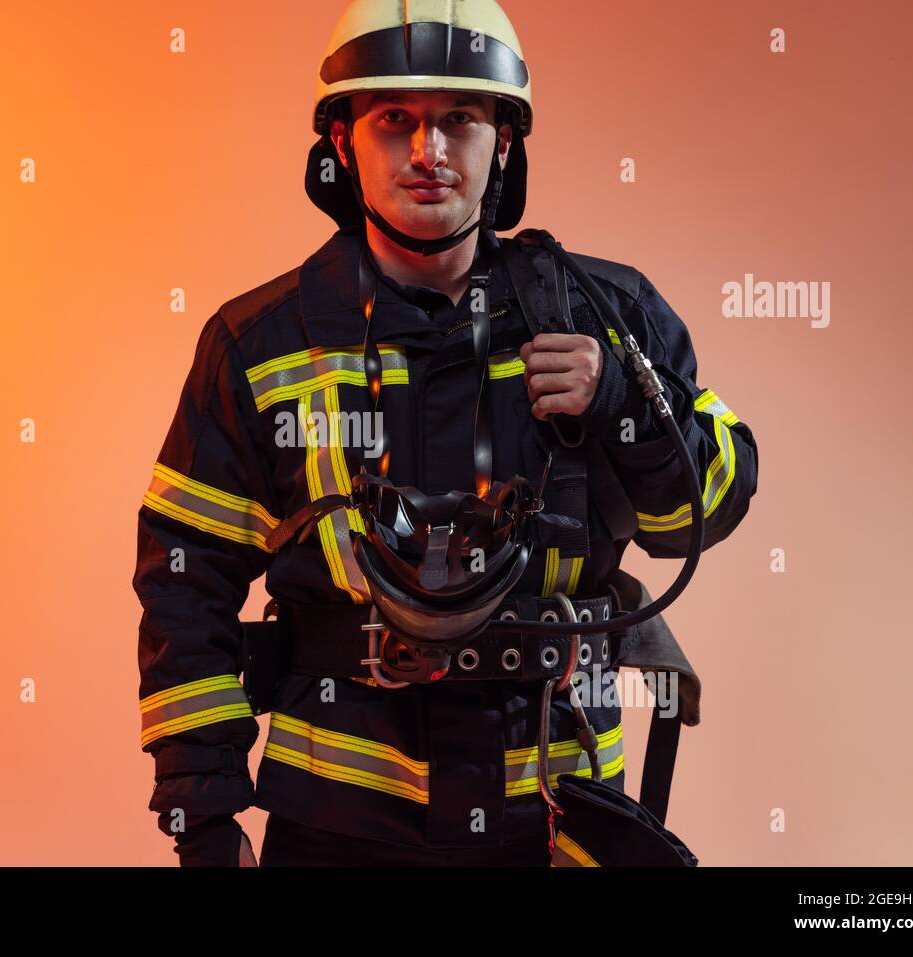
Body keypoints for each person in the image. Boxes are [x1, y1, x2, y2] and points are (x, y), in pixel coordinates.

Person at [133, 0, 759, 867]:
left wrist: (619, 399)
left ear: (504, 141)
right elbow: (183, 582)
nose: (427, 153)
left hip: (555, 814)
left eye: (458, 119)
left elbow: (705, 513)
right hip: (339, 825)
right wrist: (202, 822)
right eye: (395, 120)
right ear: (343, 143)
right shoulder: (261, 344)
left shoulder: (608, 318)